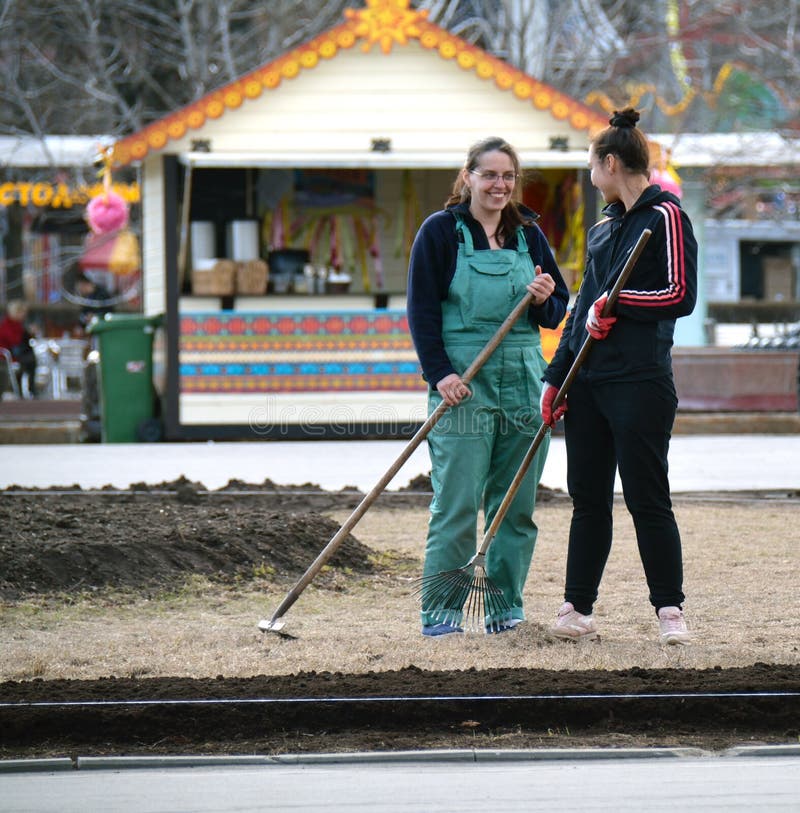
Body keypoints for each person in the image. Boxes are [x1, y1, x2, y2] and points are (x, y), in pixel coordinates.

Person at [541, 108, 698, 646]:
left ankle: (670, 611)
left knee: (646, 496)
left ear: (610, 162)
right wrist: (555, 379)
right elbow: (583, 306)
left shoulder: (667, 218)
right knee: (588, 498)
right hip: (587, 384)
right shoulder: (605, 227)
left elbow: (680, 295)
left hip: (640, 381)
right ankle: (576, 607)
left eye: (591, 164)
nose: (590, 175)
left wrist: (621, 300)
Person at [407, 136, 569, 636]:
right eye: (489, 175)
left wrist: (545, 297)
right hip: (464, 384)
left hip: (522, 382)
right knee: (456, 502)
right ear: (468, 178)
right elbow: (421, 311)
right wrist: (441, 374)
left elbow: (558, 310)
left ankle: (505, 610)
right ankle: (442, 613)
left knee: (515, 506)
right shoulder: (440, 232)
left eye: (508, 176)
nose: (499, 185)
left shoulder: (530, 235)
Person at [0, 299, 38, 398]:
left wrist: (29, 333)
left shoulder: (19, 325)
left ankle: (30, 388)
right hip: (8, 353)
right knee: (29, 360)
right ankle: (29, 389)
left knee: (30, 359)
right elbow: (14, 341)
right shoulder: (7, 325)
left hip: (16, 352)